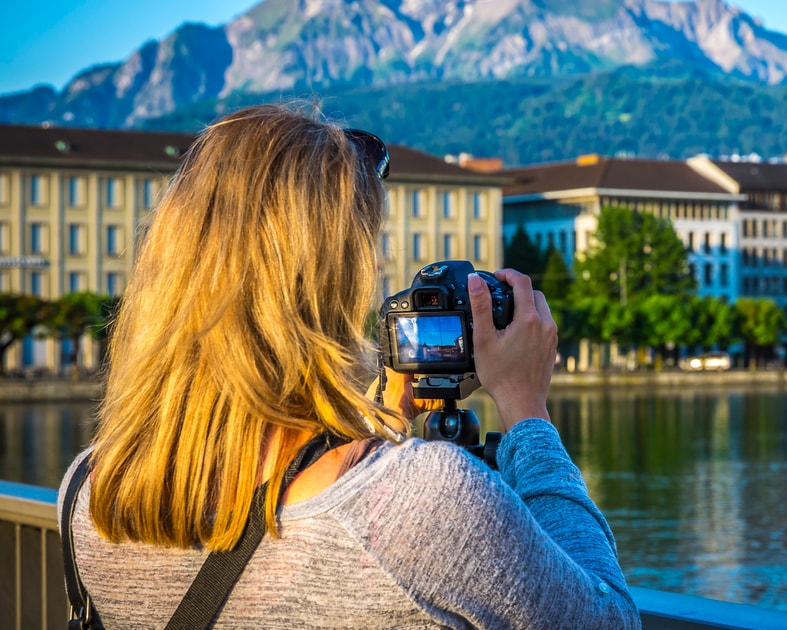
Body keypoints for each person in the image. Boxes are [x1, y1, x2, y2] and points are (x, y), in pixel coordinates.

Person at [57, 104, 641, 629]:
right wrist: (526, 412)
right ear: (334, 282)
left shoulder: (89, 492)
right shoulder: (425, 500)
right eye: (368, 251)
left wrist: (376, 427)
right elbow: (609, 619)